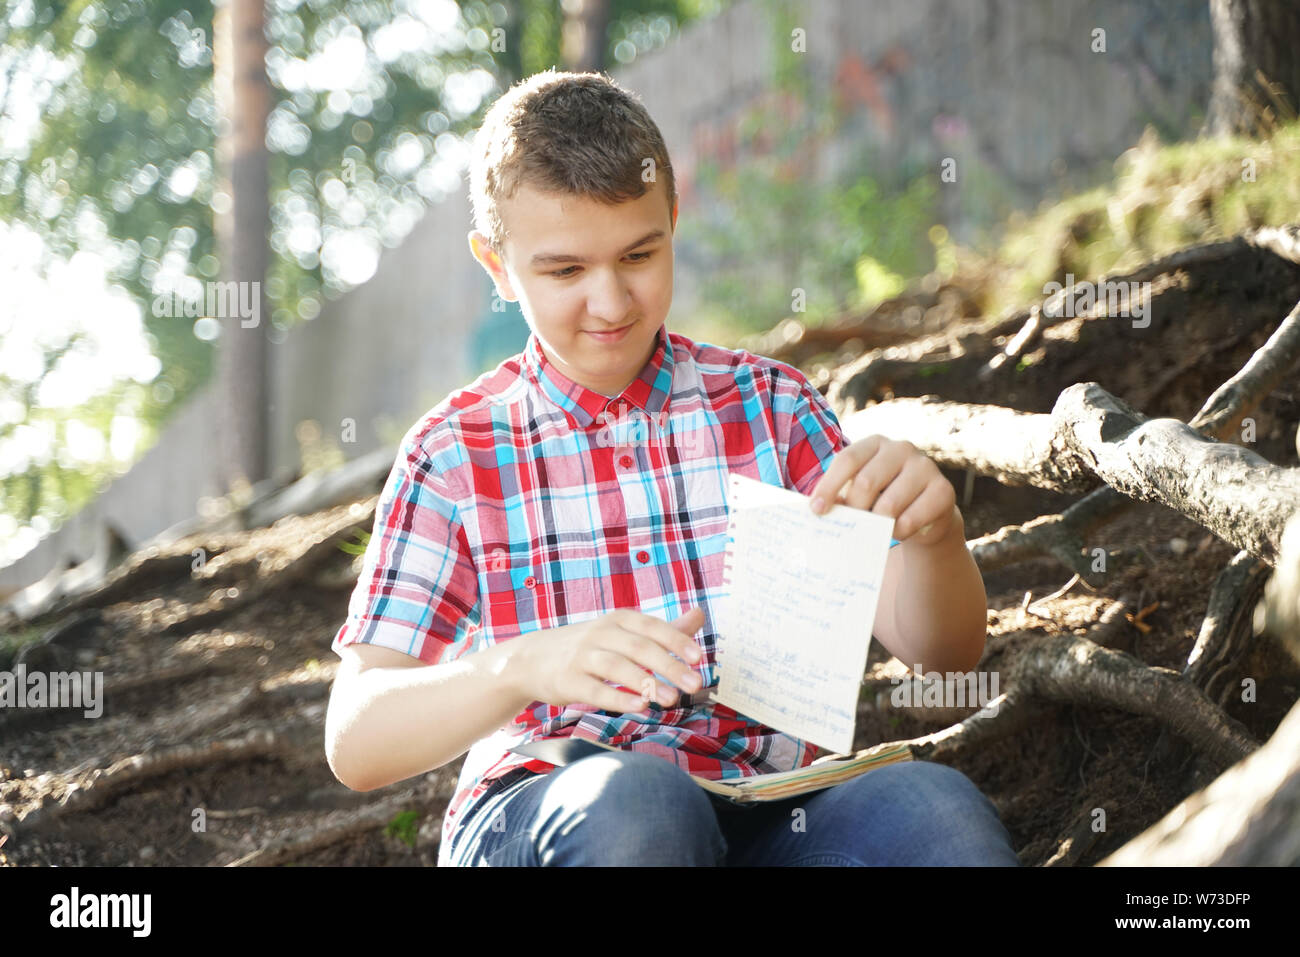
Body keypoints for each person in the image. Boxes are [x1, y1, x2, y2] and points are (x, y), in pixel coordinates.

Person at [324, 68, 1020, 867]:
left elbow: (943, 653)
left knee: (936, 810)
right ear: (496, 265)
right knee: (642, 805)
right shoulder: (454, 454)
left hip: (776, 808)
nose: (612, 300)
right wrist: (521, 665)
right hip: (558, 807)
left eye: (639, 254)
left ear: (673, 219)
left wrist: (935, 538)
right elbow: (356, 736)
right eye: (564, 271)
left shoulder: (773, 407)